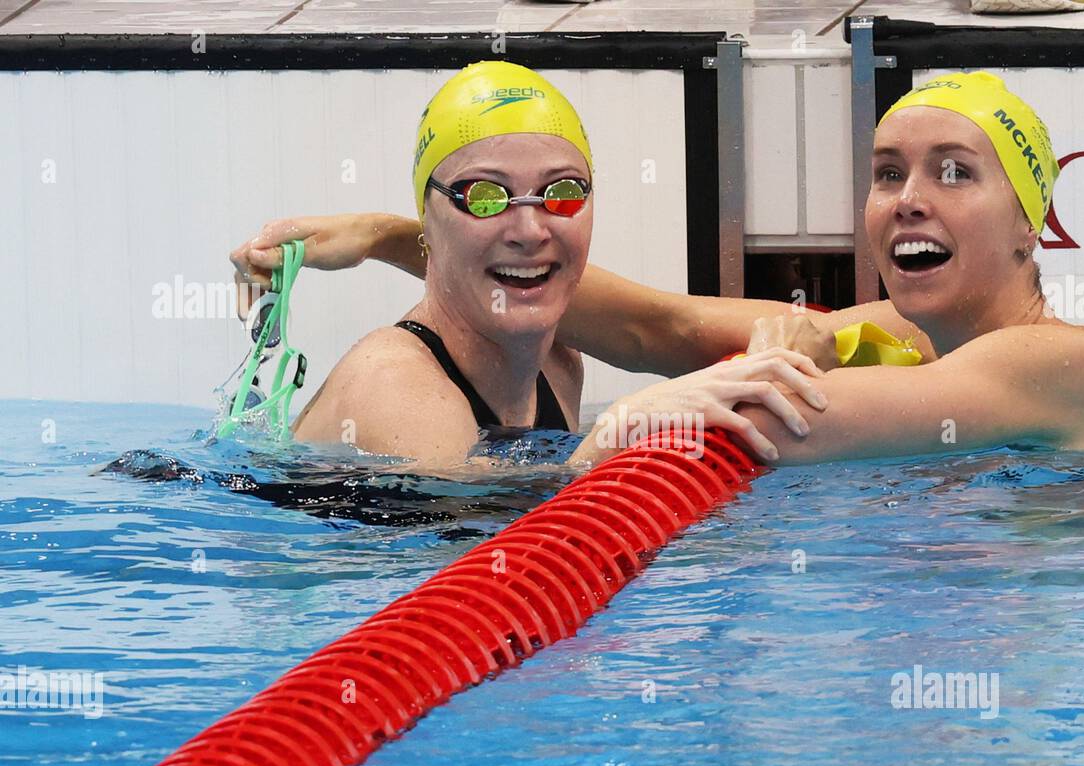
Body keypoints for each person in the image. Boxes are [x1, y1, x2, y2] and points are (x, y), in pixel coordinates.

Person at [233, 70, 1084, 468]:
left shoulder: (1078, 365)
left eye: (955, 173)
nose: (909, 199)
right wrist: (399, 235)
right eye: (888, 172)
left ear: (1032, 220)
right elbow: (662, 332)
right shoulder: (908, 342)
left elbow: (778, 419)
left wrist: (631, 423)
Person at [239, 60, 822, 472]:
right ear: (426, 218)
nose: (529, 230)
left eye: (561, 193)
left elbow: (661, 329)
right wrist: (616, 431)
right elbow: (465, 553)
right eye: (483, 197)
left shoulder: (559, 365)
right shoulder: (394, 385)